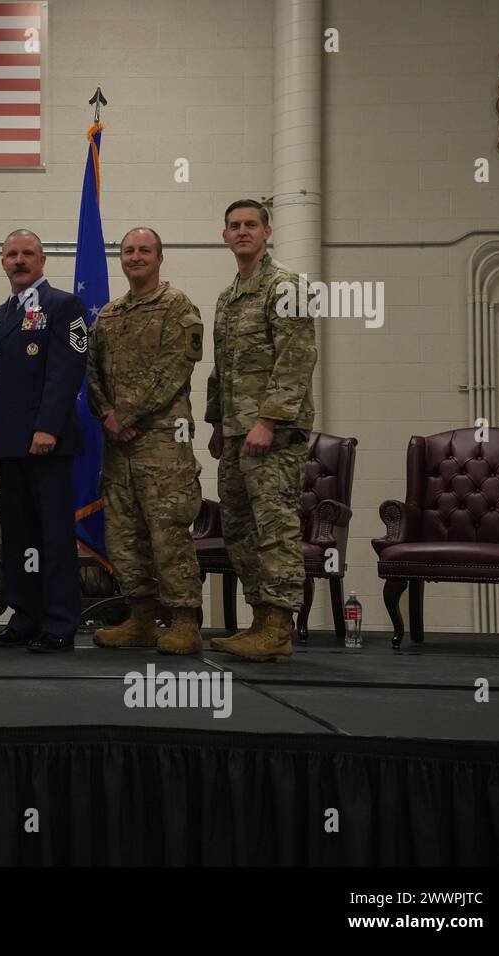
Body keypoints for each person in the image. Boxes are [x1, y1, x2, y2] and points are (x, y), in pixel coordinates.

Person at [206, 200, 317, 662]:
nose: (243, 231)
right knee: (239, 526)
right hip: (235, 432)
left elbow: (296, 357)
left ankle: (278, 626)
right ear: (225, 235)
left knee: (274, 525)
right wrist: (216, 423)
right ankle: (259, 621)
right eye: (235, 225)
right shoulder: (230, 295)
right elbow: (222, 368)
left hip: (273, 433)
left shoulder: (286, 285)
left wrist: (268, 420)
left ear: (267, 232)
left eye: (252, 224)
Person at [87, 227, 205, 655]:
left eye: (144, 250)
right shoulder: (109, 315)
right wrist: (106, 414)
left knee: (168, 532)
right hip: (118, 447)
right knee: (123, 534)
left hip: (162, 442)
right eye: (128, 251)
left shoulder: (177, 308)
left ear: (160, 257)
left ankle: (185, 622)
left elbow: (176, 369)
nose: (135, 257)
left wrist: (127, 415)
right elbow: (92, 372)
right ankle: (139, 618)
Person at [0, 229, 87, 654]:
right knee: (20, 537)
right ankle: (24, 617)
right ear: (2, 263)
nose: (19, 260)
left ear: (42, 260)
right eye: (11, 254)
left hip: (48, 443)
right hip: (9, 445)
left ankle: (60, 623)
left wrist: (48, 427)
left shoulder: (65, 306)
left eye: (28, 253)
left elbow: (67, 371)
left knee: (54, 538)